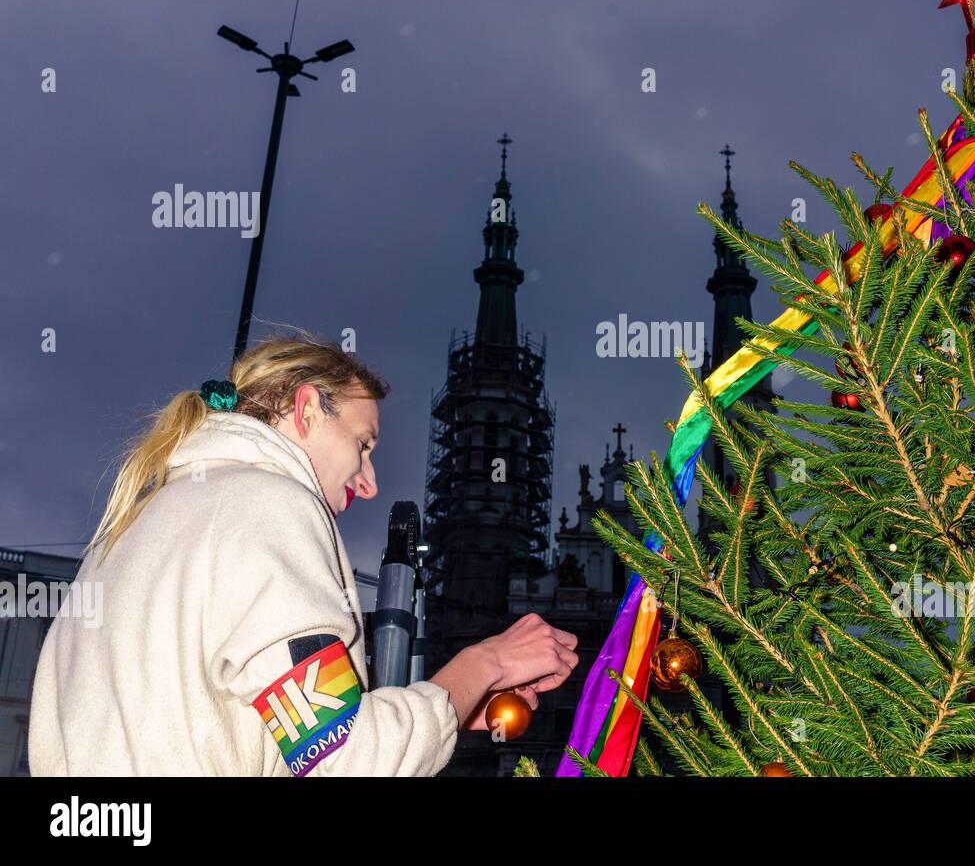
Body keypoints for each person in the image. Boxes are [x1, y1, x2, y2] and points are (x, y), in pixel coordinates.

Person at [29, 331, 578, 776]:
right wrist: (486, 662)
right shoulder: (267, 506)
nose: (368, 483)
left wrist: (451, 702)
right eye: (363, 445)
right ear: (308, 409)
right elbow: (347, 760)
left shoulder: (136, 525)